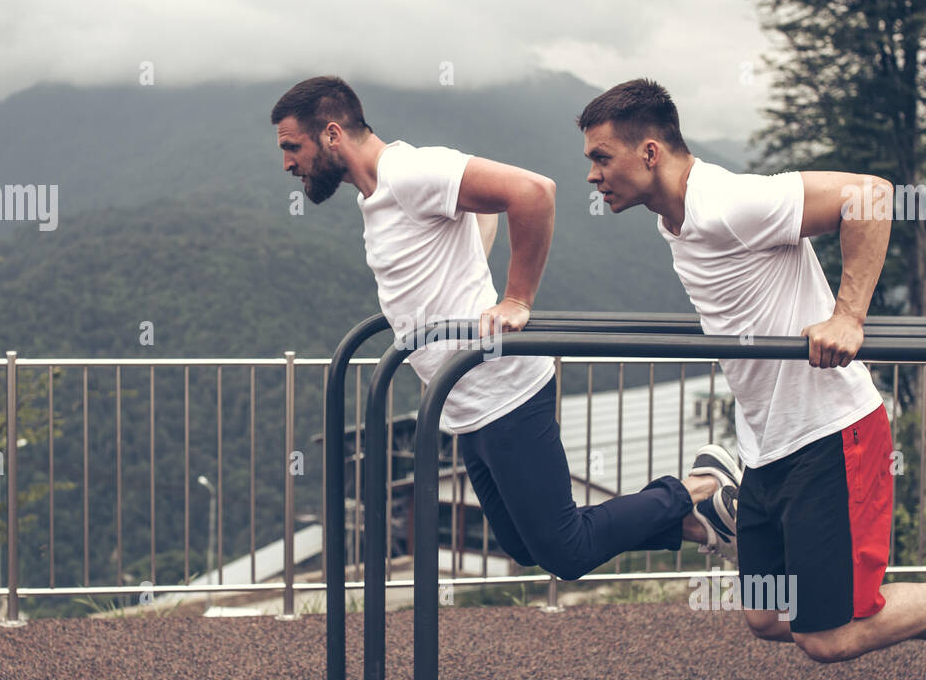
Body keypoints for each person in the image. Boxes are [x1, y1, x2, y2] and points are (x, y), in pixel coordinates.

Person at [576, 77, 926, 680]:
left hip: (833, 436)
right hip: (767, 447)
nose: (594, 176)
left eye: (602, 158)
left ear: (650, 152)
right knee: (768, 615)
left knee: (827, 636)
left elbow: (871, 196)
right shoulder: (674, 219)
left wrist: (848, 316)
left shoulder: (726, 201)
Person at [271, 75, 740, 583]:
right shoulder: (379, 193)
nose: (288, 163)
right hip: (463, 402)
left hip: (503, 391)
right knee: (523, 544)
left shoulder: (408, 171)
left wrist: (516, 298)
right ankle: (699, 522)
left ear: (333, 134)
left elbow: (533, 192)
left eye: (292, 146)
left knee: (566, 552)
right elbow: (480, 215)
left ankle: (697, 489)